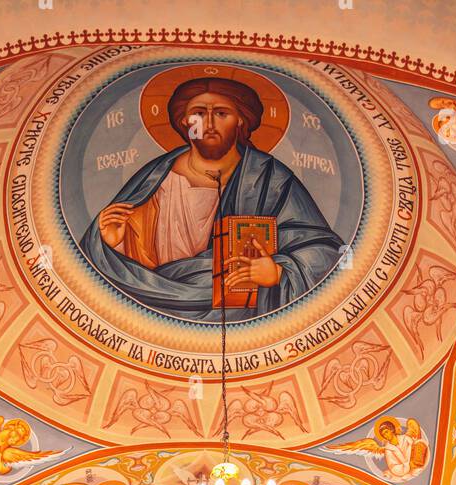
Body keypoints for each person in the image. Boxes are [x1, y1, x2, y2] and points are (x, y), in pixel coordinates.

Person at [81, 76, 342, 320]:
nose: (208, 123)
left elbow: (324, 250)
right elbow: (108, 265)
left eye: (221, 113)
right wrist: (112, 243)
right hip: (154, 312)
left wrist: (279, 272)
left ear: (240, 121)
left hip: (239, 317)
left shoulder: (270, 178)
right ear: (184, 122)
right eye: (197, 113)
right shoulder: (153, 178)